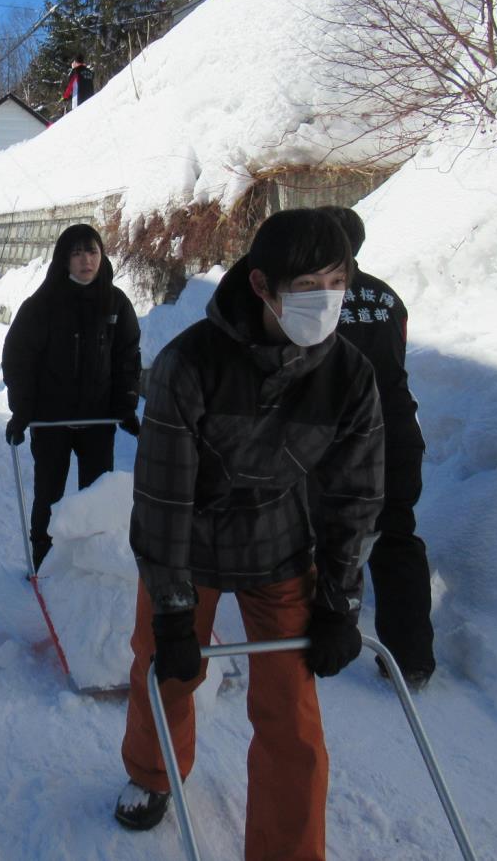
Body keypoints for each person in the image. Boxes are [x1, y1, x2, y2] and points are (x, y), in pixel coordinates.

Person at [113, 208, 385, 859]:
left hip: (279, 544)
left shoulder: (348, 375)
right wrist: (174, 610)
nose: (324, 296)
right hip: (191, 540)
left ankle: (286, 851)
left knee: (291, 706)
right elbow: (162, 495)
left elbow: (355, 493)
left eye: (335, 278)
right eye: (306, 283)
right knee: (164, 667)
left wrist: (341, 598)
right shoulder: (190, 365)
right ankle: (152, 774)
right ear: (261, 285)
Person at [319, 205, 434, 685]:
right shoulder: (388, 297)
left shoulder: (316, 299)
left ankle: (322, 637)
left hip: (343, 437)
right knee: (397, 536)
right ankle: (412, 659)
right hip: (400, 430)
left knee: (328, 533)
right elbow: (397, 357)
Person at [2, 224, 140, 571]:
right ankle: (44, 561)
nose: (85, 260)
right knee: (49, 493)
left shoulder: (116, 303)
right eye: (77, 253)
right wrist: (22, 411)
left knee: (97, 496)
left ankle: (93, 561)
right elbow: (18, 359)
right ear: (64, 259)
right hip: (51, 420)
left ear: (101, 255)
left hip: (98, 419)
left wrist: (124, 406)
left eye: (91, 251)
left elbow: (127, 357)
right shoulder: (41, 305)